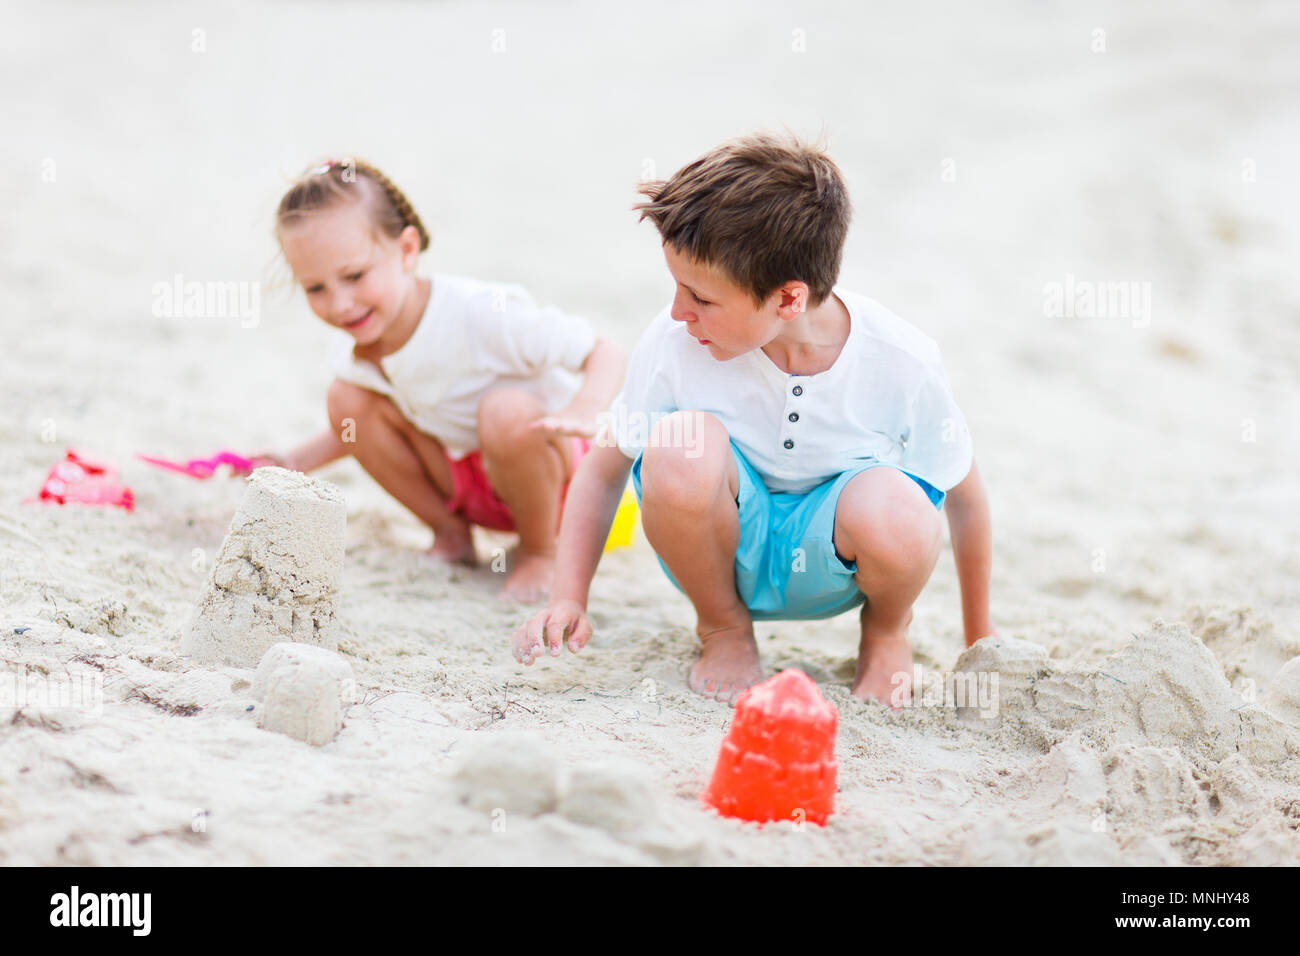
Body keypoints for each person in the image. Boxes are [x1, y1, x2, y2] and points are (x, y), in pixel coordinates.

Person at [511, 134, 994, 706]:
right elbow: (601, 471)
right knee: (680, 445)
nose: (676, 312)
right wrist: (569, 598)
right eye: (675, 286)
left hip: (832, 565)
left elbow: (964, 496)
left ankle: (887, 634)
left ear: (789, 300)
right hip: (718, 556)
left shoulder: (902, 361)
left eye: (701, 297)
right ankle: (723, 629)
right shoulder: (673, 344)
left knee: (899, 504)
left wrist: (978, 642)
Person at [263, 158, 626, 602]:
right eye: (315, 289)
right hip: (471, 480)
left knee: (504, 411)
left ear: (407, 249)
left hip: (558, 485)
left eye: (355, 276)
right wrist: (288, 462)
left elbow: (604, 350)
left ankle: (539, 553)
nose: (339, 304)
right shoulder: (358, 348)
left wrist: (586, 408)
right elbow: (353, 432)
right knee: (346, 400)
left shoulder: (480, 314)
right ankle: (451, 535)